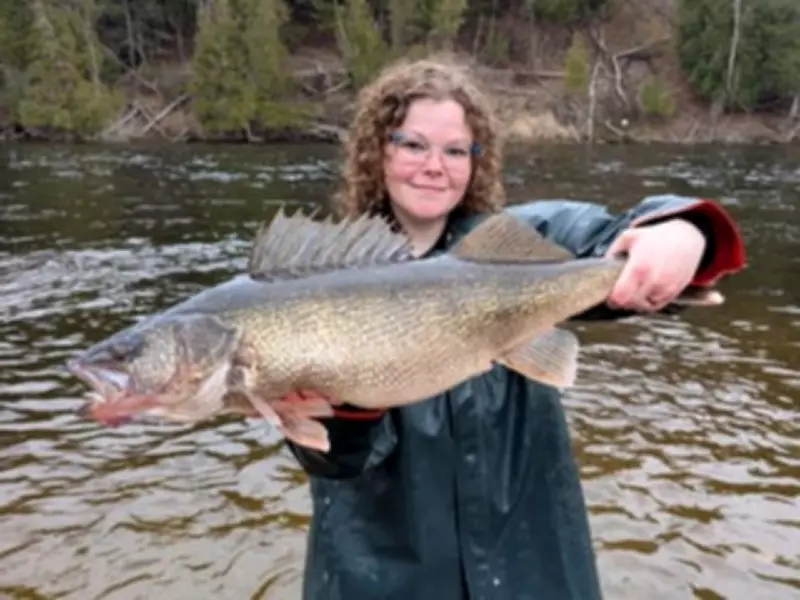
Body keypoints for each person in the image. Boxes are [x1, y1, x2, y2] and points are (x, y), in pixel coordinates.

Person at [283, 56, 747, 600]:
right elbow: (338, 462)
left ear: (476, 162)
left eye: (456, 150)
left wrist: (680, 232)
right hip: (382, 573)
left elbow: (607, 235)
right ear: (376, 151)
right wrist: (334, 411)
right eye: (413, 145)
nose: (435, 164)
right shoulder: (319, 280)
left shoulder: (521, 238)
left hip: (530, 562)